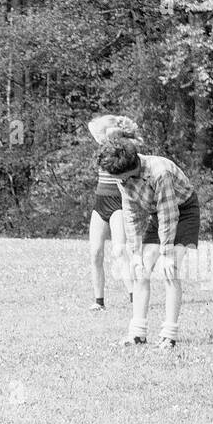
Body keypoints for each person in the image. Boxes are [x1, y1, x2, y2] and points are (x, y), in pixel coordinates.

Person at [96, 133, 199, 350]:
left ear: (130, 169)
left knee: (170, 270)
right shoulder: (123, 179)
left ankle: (169, 336)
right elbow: (131, 213)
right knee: (141, 269)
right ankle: (138, 334)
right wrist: (135, 253)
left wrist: (168, 253)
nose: (118, 181)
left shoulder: (159, 172)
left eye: (119, 176)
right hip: (158, 214)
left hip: (183, 211)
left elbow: (168, 214)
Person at [86, 114, 141, 311]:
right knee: (95, 253)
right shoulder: (104, 148)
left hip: (118, 203)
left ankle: (135, 296)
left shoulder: (124, 148)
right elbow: (93, 128)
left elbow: (113, 134)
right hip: (100, 203)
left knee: (119, 251)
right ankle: (99, 301)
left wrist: (115, 127)